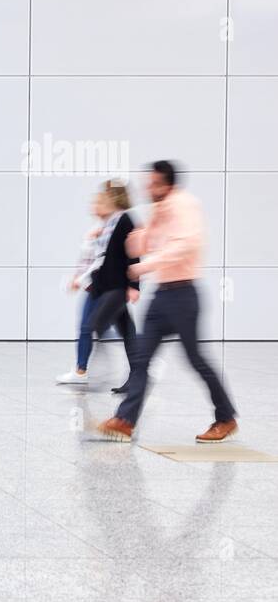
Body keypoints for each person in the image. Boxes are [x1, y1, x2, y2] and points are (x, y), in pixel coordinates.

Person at [98, 161, 238, 444]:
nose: (148, 189)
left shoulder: (185, 206)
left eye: (154, 184)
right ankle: (125, 420)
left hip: (183, 295)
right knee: (140, 359)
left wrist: (145, 266)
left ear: (167, 184)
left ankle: (226, 418)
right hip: (162, 295)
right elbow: (137, 247)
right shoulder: (160, 209)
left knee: (196, 359)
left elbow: (184, 246)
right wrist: (141, 230)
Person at [56, 180, 140, 389]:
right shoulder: (108, 223)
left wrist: (135, 285)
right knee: (126, 331)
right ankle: (140, 372)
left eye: (106, 195)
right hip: (104, 285)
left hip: (116, 286)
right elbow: (100, 258)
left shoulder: (126, 220)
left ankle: (137, 366)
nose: (101, 199)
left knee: (95, 324)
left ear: (115, 197)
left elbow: (133, 254)